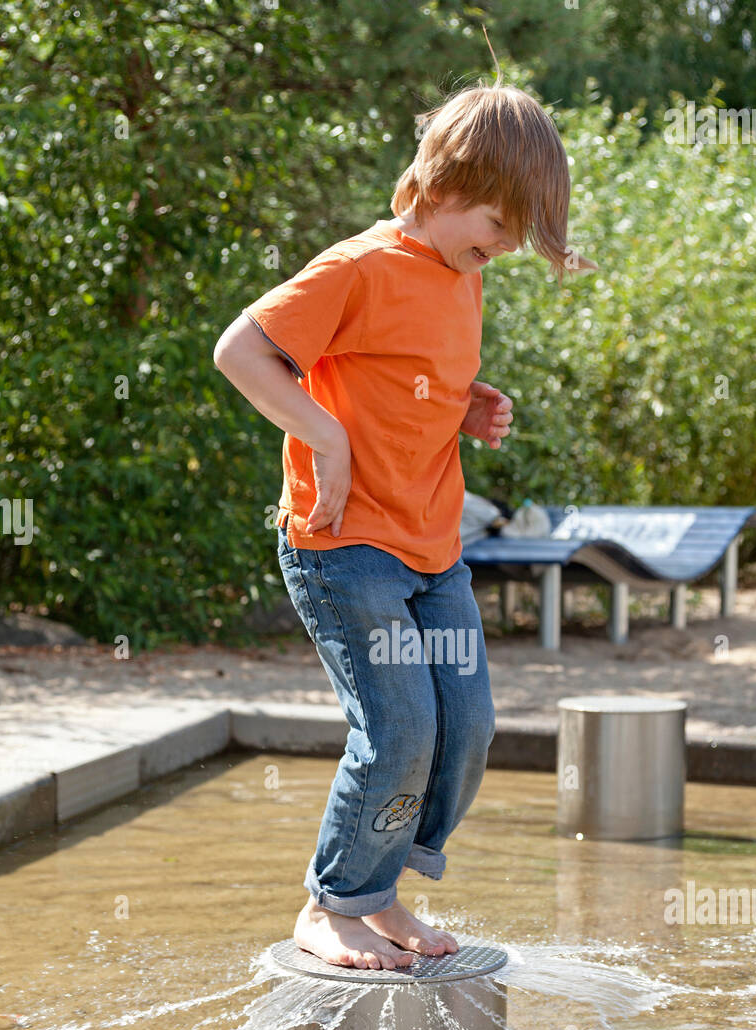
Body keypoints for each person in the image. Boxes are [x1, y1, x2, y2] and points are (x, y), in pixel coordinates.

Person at [213, 79, 595, 971]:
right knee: (398, 731)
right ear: (441, 183)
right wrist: (323, 434)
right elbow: (241, 351)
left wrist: (464, 406)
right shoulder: (356, 266)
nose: (501, 251)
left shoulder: (460, 279)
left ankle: (379, 892)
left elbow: (406, 373)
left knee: (466, 724)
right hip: (345, 549)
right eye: (499, 227)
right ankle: (333, 901)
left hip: (434, 550)